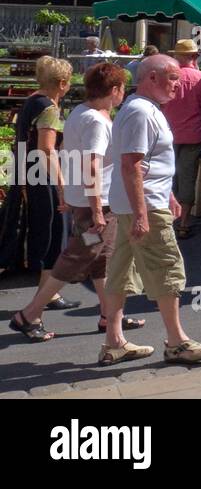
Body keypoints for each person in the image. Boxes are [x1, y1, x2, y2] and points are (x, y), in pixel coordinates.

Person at [9, 63, 146, 342]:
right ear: (115, 90)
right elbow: (92, 166)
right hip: (96, 202)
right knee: (77, 257)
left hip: (86, 198)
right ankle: (29, 314)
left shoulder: (80, 113)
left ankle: (109, 315)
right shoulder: (96, 119)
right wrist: (97, 210)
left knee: (100, 259)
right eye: (122, 89)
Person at [100, 54, 201, 365]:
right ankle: (177, 342)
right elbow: (132, 165)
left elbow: (144, 164)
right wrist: (143, 212)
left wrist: (167, 195)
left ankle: (114, 342)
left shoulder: (139, 109)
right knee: (166, 269)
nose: (179, 86)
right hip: (143, 207)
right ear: (151, 78)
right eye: (173, 79)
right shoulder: (142, 112)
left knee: (121, 272)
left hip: (135, 203)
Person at [0, 57, 73, 306]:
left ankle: (48, 290)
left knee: (42, 230)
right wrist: (62, 186)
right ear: (61, 83)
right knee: (52, 233)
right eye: (69, 82)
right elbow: (47, 149)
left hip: (25, 173)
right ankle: (47, 293)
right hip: (42, 177)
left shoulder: (31, 100)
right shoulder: (49, 109)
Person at [162, 39, 201, 239]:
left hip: (166, 134)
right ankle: (183, 223)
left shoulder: (168, 77)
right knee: (187, 177)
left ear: (178, 56)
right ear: (195, 56)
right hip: (193, 134)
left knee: (166, 176)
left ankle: (166, 221)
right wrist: (199, 115)